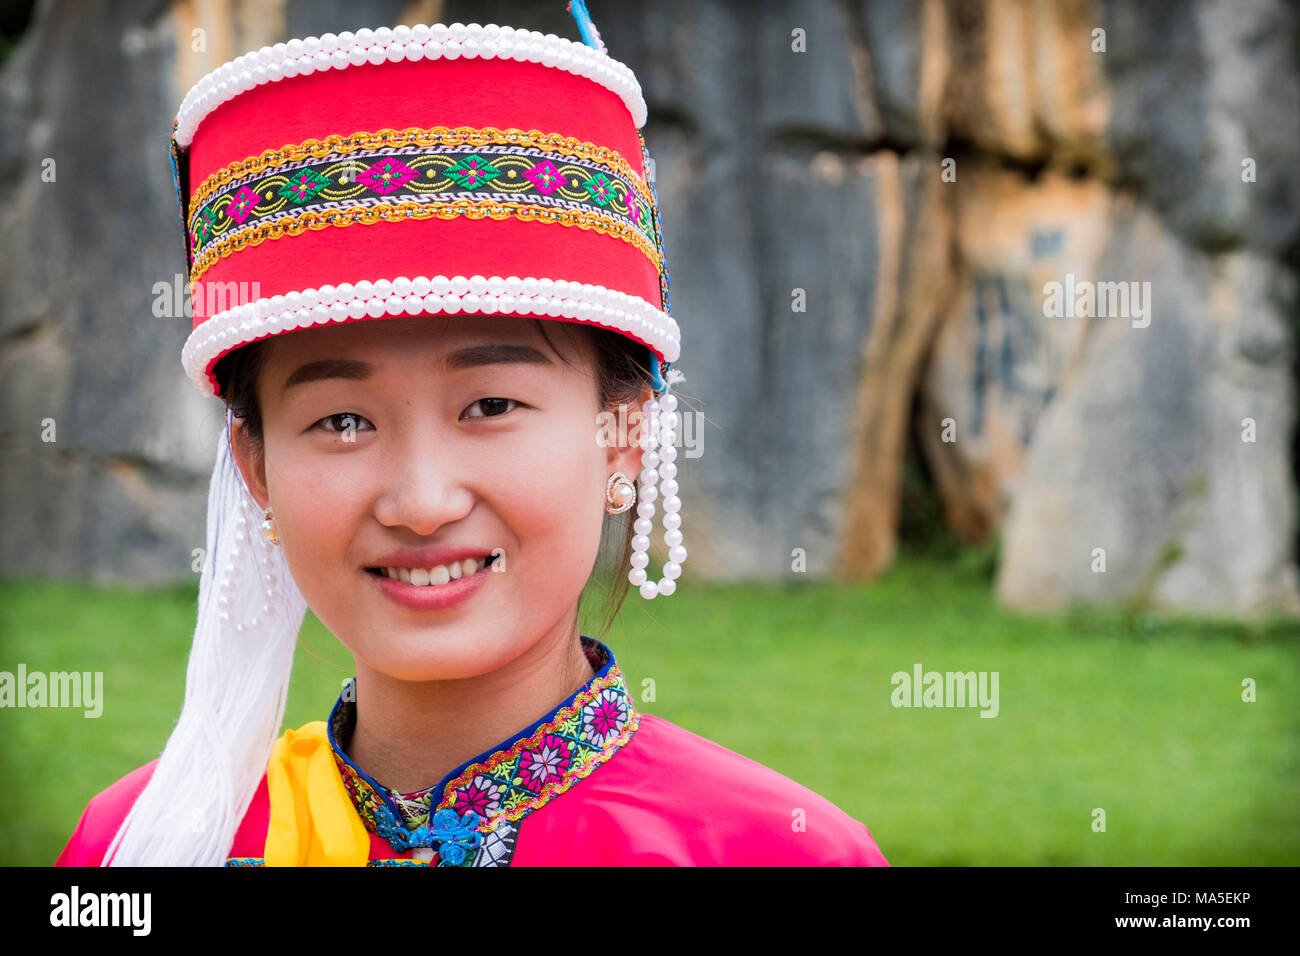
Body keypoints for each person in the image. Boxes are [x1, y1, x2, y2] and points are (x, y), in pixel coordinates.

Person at [55, 7, 889, 867]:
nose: (421, 502)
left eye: (490, 406)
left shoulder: (774, 851)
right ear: (257, 470)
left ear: (624, 436)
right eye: (342, 421)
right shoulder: (150, 842)